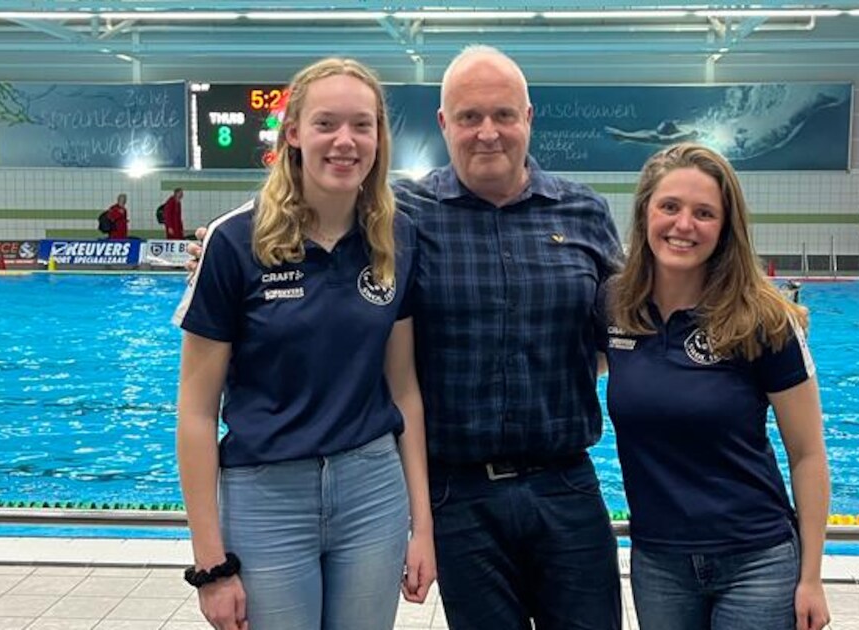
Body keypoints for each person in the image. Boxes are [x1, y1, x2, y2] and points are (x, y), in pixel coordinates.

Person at [187, 45, 625, 629]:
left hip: (561, 482)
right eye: (469, 117)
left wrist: (737, 301)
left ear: (529, 117)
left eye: (503, 115)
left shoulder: (579, 213)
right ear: (445, 124)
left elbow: (632, 323)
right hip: (453, 494)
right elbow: (198, 406)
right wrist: (210, 565)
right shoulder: (405, 217)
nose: (487, 132)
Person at [173, 57, 435, 630]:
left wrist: (423, 527)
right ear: (293, 133)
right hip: (266, 495)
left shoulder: (397, 237)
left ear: (378, 137)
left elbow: (404, 391)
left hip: (372, 491)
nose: (345, 141)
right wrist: (210, 565)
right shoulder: (234, 242)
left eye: (361, 125)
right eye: (326, 124)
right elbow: (195, 414)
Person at [600, 143, 831, 630]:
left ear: (726, 228)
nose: (684, 225)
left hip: (756, 560)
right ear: (645, 213)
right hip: (659, 562)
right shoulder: (614, 307)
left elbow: (808, 453)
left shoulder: (763, 319)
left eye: (704, 213)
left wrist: (811, 577)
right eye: (670, 207)